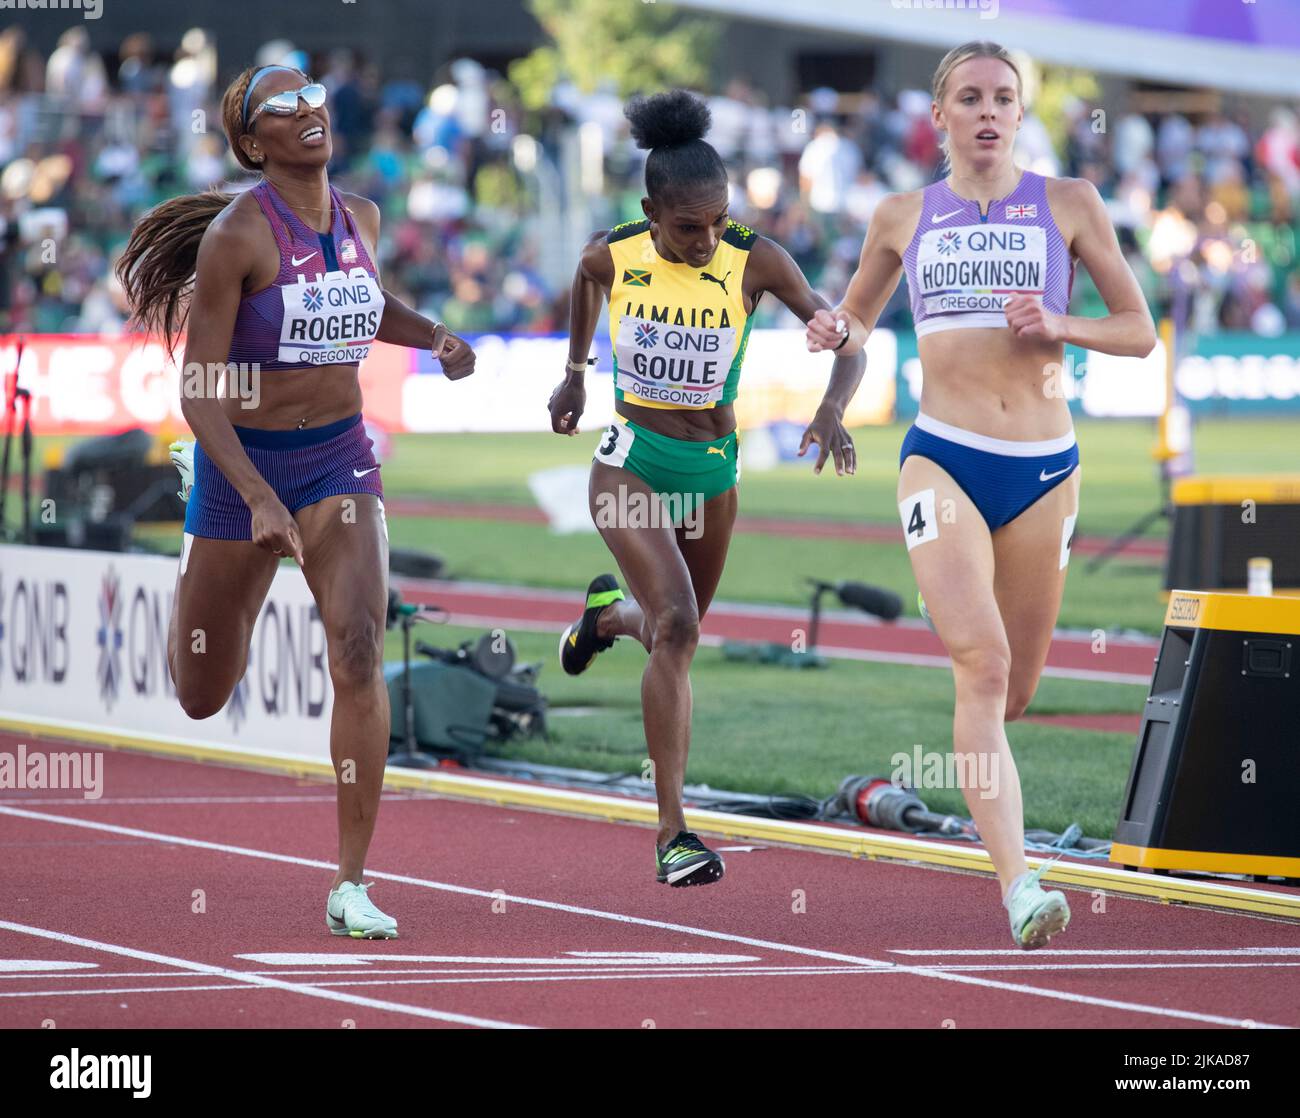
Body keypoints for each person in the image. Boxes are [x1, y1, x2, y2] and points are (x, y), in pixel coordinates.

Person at [806, 41, 1155, 948]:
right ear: (941, 115)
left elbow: (1139, 330)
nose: (989, 112)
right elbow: (857, 323)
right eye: (971, 97)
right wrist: (835, 352)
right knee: (984, 665)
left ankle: (955, 617)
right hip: (944, 456)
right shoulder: (900, 215)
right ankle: (1019, 887)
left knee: (1017, 692)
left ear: (1020, 113)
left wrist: (1061, 322)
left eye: (1004, 97)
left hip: (1044, 469)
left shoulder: (1070, 203)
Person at [116, 64, 476, 939]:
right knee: (201, 690)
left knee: (357, 648)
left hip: (338, 460)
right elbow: (199, 391)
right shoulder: (236, 237)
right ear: (252, 143)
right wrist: (254, 498)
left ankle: (351, 882)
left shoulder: (362, 217)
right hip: (244, 466)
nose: (309, 110)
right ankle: (197, 559)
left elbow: (366, 303)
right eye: (283, 106)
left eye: (313, 96)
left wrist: (432, 335)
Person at [548, 89, 865, 888]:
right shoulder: (614, 252)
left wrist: (832, 406)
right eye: (689, 227)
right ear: (651, 213)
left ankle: (603, 619)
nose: (707, 239)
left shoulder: (757, 259)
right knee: (681, 626)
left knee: (669, 634)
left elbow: (848, 344)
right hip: (630, 460)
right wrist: (576, 373)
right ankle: (673, 834)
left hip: (714, 469)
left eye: (719, 221)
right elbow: (584, 280)